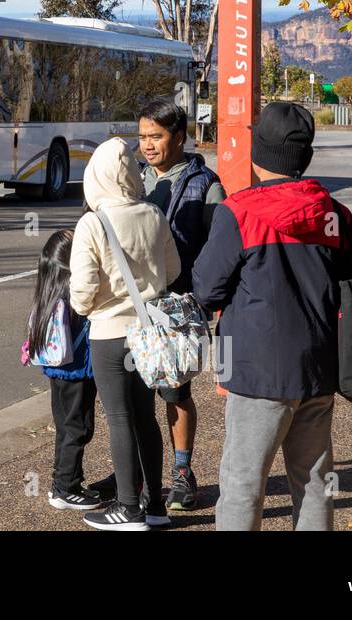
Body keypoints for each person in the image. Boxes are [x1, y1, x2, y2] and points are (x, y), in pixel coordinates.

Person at [193, 102, 352, 531]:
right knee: (315, 481)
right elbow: (346, 283)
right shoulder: (335, 215)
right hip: (319, 366)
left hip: (255, 369)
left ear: (258, 153)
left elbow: (207, 290)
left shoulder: (238, 212)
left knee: (244, 481)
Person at [70, 137, 180, 530]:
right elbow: (173, 271)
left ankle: (128, 508)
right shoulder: (152, 213)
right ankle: (155, 504)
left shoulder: (92, 222)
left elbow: (82, 292)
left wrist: (88, 305)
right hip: (149, 334)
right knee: (146, 418)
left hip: (109, 334)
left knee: (118, 419)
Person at [136, 98, 224, 511]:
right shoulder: (132, 179)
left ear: (180, 137)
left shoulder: (205, 183)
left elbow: (219, 247)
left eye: (156, 136)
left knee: (174, 392)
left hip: (177, 307)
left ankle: (182, 474)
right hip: (132, 305)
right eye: (142, 137)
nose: (147, 145)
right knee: (134, 396)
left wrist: (203, 299)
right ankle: (137, 474)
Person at [24, 229, 101, 511]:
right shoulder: (74, 289)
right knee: (78, 428)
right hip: (78, 370)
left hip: (58, 370)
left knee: (66, 427)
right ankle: (64, 488)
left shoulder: (49, 288)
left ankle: (68, 482)